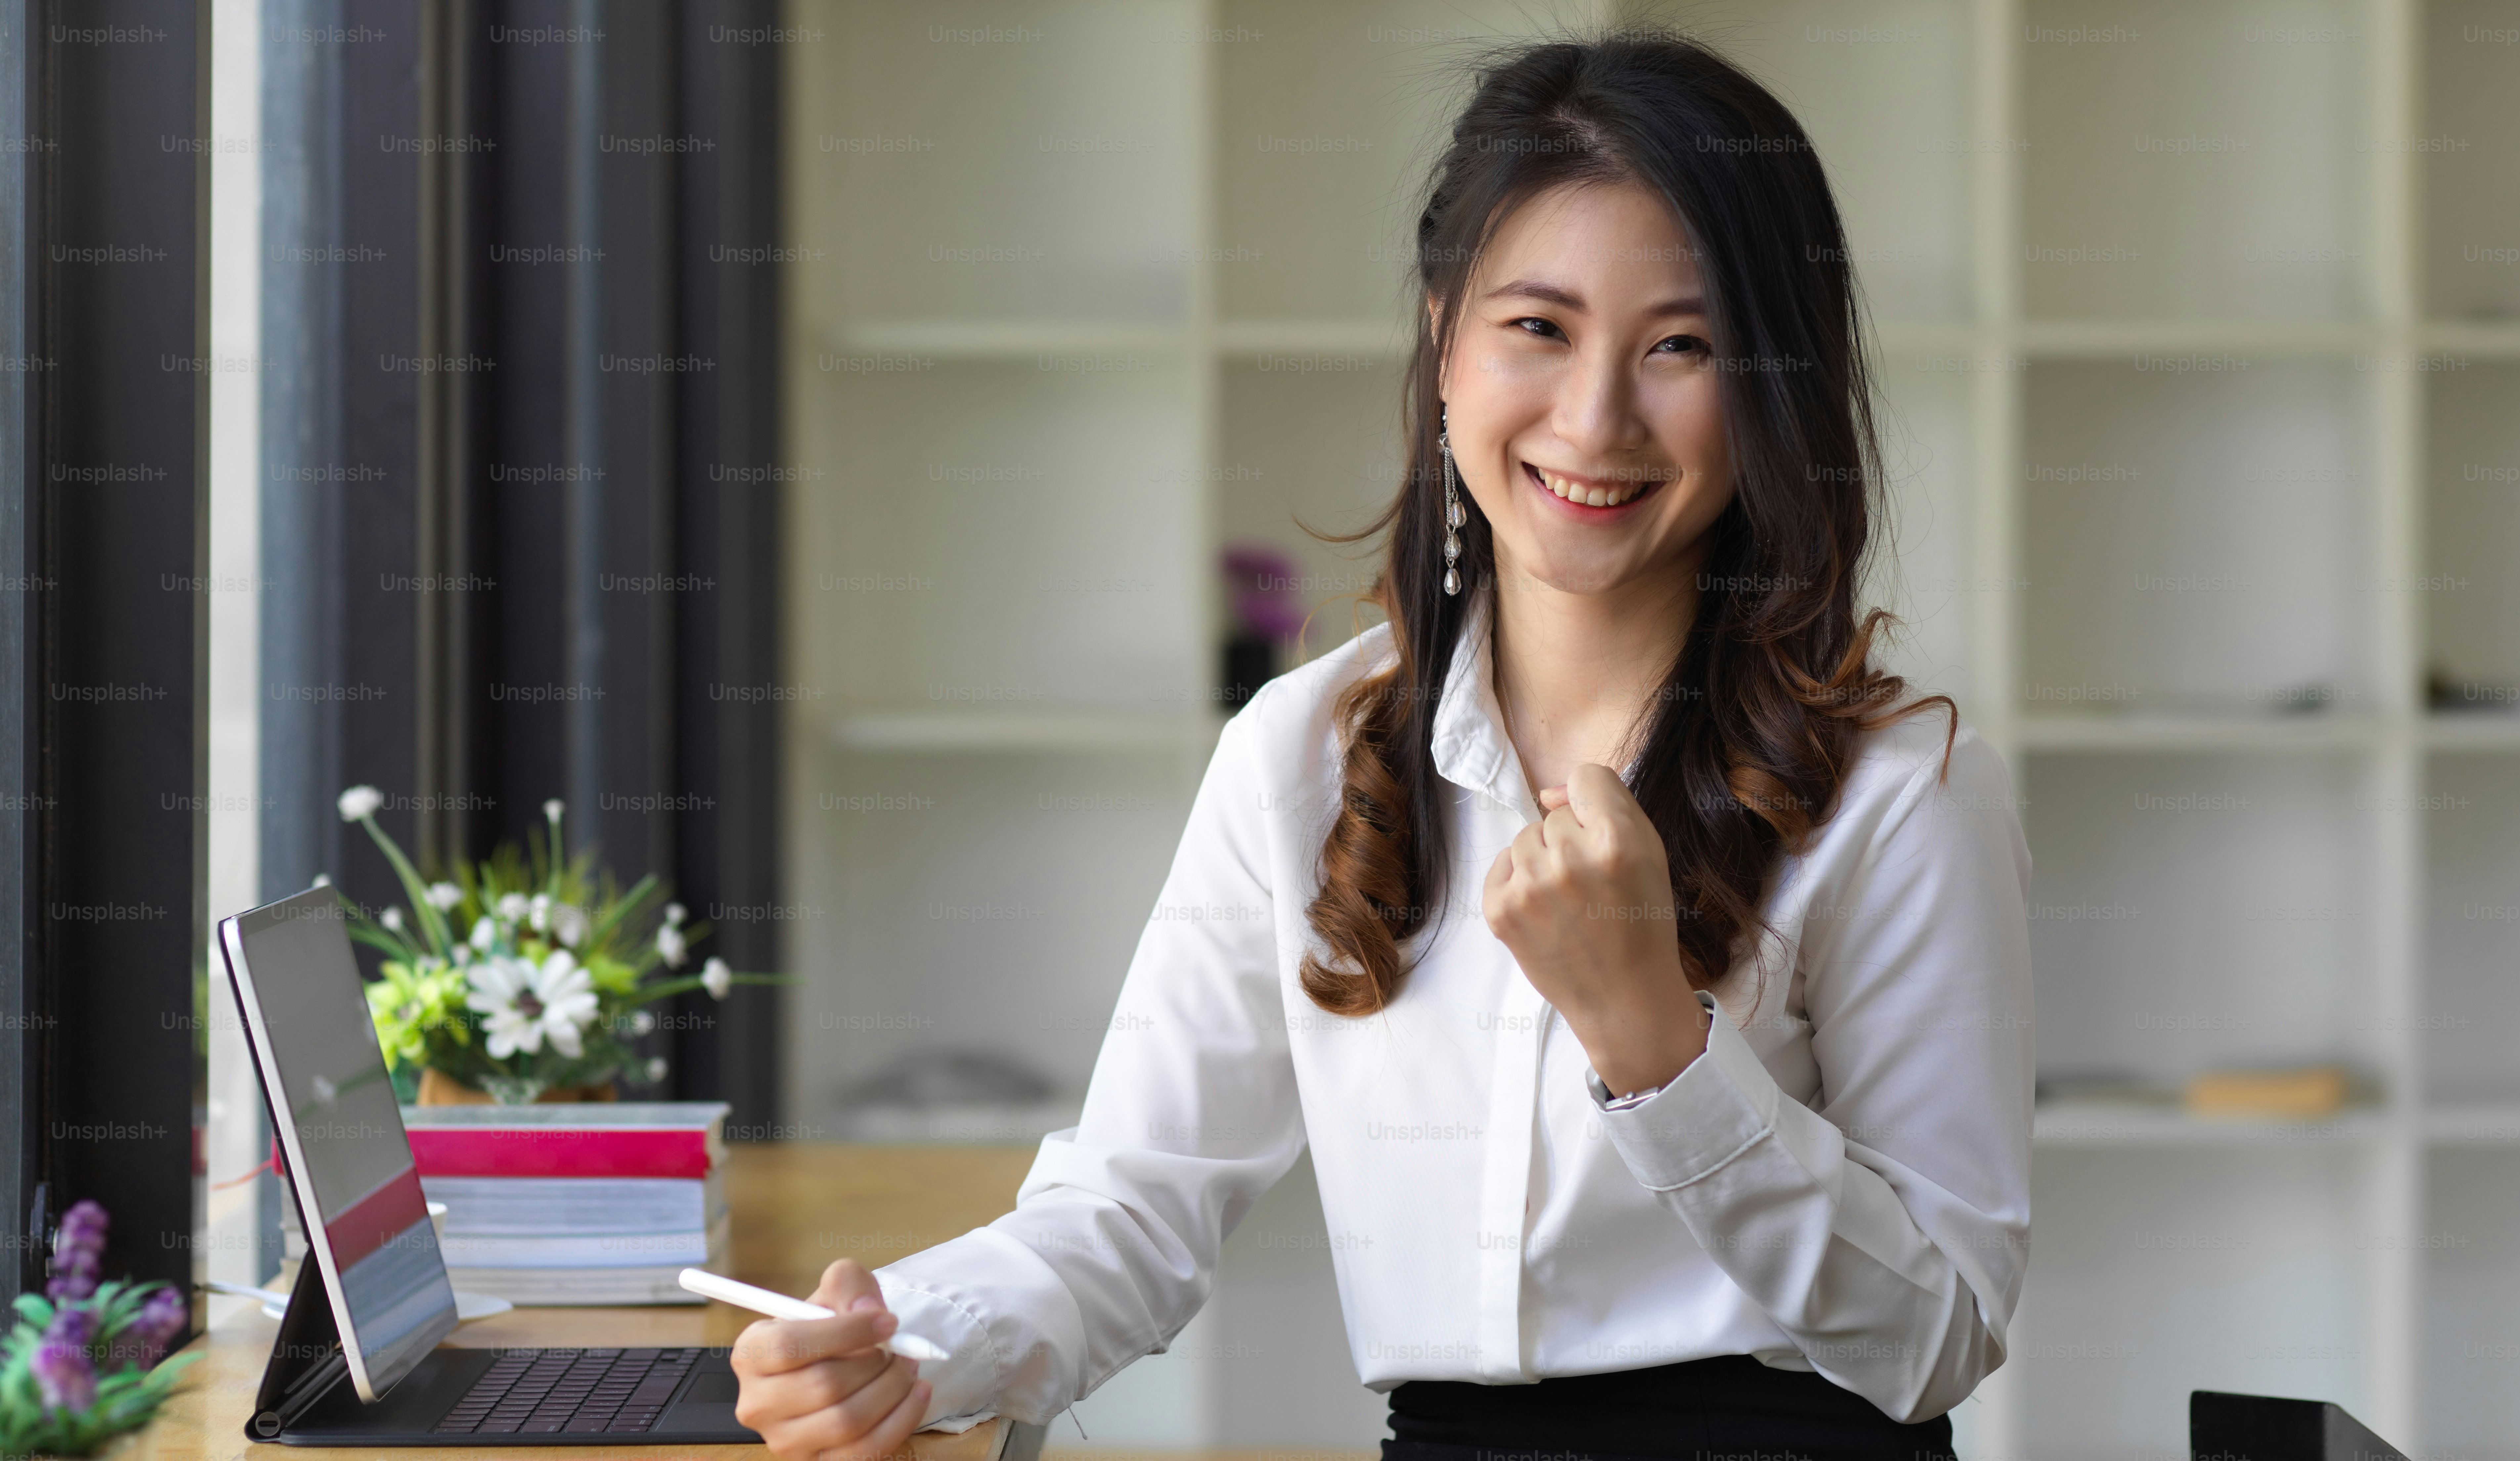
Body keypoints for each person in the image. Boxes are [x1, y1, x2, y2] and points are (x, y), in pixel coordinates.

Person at [731, 29, 2031, 1461]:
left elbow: (1938, 1337)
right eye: (1537, 327)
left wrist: (1660, 1048)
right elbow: (1130, 1203)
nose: (1595, 419)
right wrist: (904, 1343)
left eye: (1684, 345)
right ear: (1443, 337)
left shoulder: (1899, 788)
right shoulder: (1300, 753)